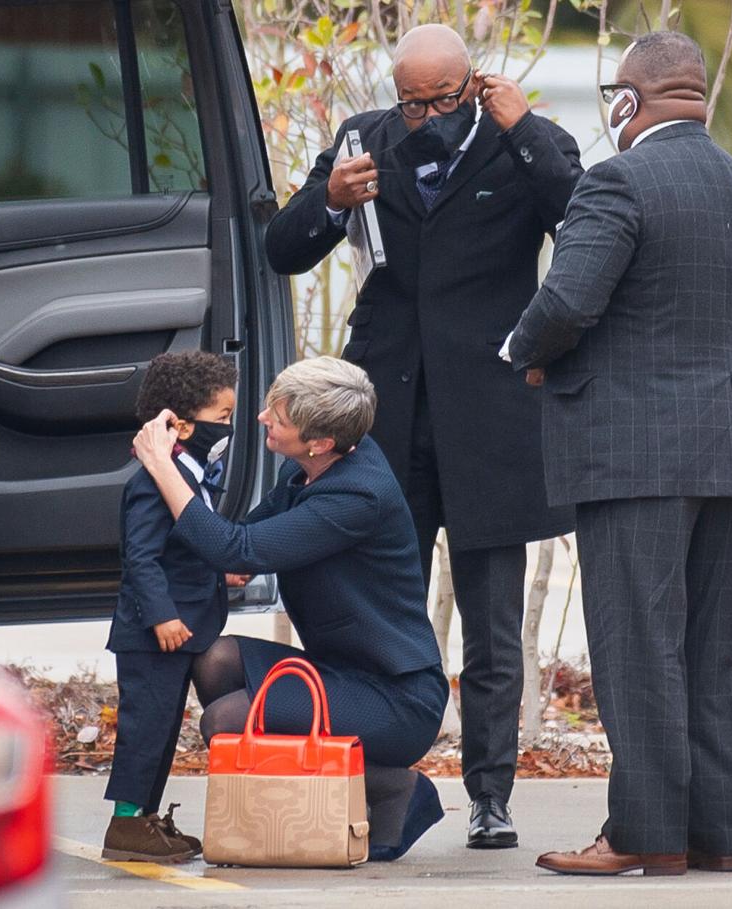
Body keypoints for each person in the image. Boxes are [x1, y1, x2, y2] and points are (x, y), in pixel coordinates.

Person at [263, 23, 582, 849]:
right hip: (389, 422)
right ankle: (382, 786)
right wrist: (329, 200)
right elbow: (283, 250)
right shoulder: (365, 140)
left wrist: (527, 131)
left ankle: (490, 796)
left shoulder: (521, 141)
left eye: (443, 99)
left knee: (491, 623)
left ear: (473, 84)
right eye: (413, 102)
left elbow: (580, 220)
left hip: (490, 423)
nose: (427, 115)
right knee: (372, 617)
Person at [506, 32, 732, 876]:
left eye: (612, 95)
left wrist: (520, 350)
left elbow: (565, 302)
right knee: (713, 647)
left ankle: (642, 832)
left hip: (633, 456)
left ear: (630, 100)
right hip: (726, 449)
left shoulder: (616, 182)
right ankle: (714, 836)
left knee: (637, 646)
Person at [133, 356, 450, 862]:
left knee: (225, 722)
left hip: (395, 698)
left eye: (276, 418)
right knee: (215, 660)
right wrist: (231, 558)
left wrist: (161, 466)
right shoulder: (313, 464)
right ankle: (329, 791)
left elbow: (238, 549)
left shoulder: (356, 494)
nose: (261, 419)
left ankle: (389, 787)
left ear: (320, 441)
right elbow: (248, 542)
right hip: (340, 671)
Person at [102, 350, 239, 863]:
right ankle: (124, 822)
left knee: (161, 729)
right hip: (153, 632)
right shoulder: (151, 482)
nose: (230, 426)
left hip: (183, 629)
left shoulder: (192, 473)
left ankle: (145, 819)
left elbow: (184, 544)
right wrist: (161, 614)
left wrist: (221, 569)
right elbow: (140, 556)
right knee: (144, 727)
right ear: (179, 426)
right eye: (222, 416)